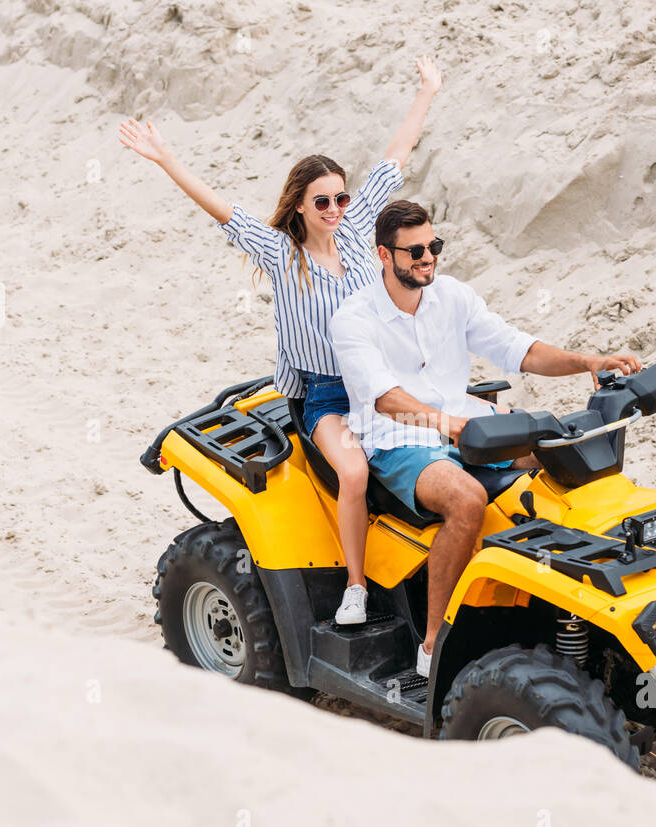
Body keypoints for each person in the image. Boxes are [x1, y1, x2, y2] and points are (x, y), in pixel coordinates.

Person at [118, 58, 443, 626]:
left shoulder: (362, 224)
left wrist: (427, 91)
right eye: (323, 202)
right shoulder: (279, 252)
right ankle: (357, 588)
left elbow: (396, 157)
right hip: (323, 396)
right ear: (300, 206)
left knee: (453, 439)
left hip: (383, 380)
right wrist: (166, 158)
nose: (336, 210)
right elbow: (221, 209)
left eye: (341, 199)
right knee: (357, 473)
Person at [330, 200, 642, 676]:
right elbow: (385, 399)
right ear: (382, 255)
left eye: (433, 246)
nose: (427, 257)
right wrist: (450, 425)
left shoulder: (453, 296)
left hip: (465, 423)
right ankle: (433, 646)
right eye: (413, 251)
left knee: (557, 456)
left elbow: (520, 350)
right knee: (466, 498)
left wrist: (589, 362)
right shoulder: (353, 318)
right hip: (398, 440)